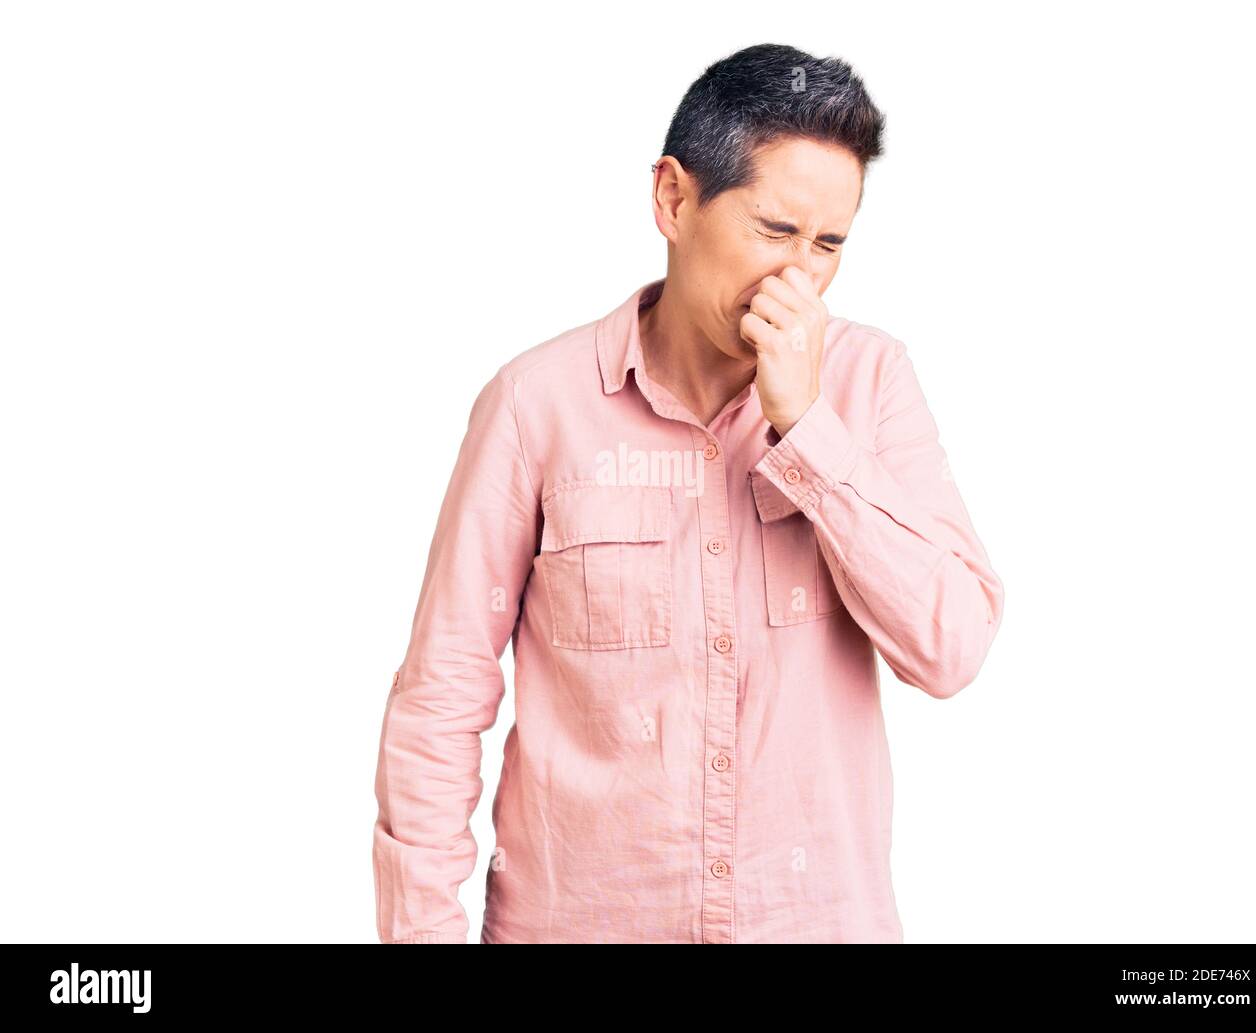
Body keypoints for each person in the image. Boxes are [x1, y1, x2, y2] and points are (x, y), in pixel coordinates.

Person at [372, 42, 1004, 944]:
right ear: (674, 199)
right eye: (775, 231)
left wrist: (809, 432)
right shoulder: (533, 405)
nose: (798, 277)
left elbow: (952, 645)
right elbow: (441, 699)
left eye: (828, 246)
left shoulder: (872, 383)